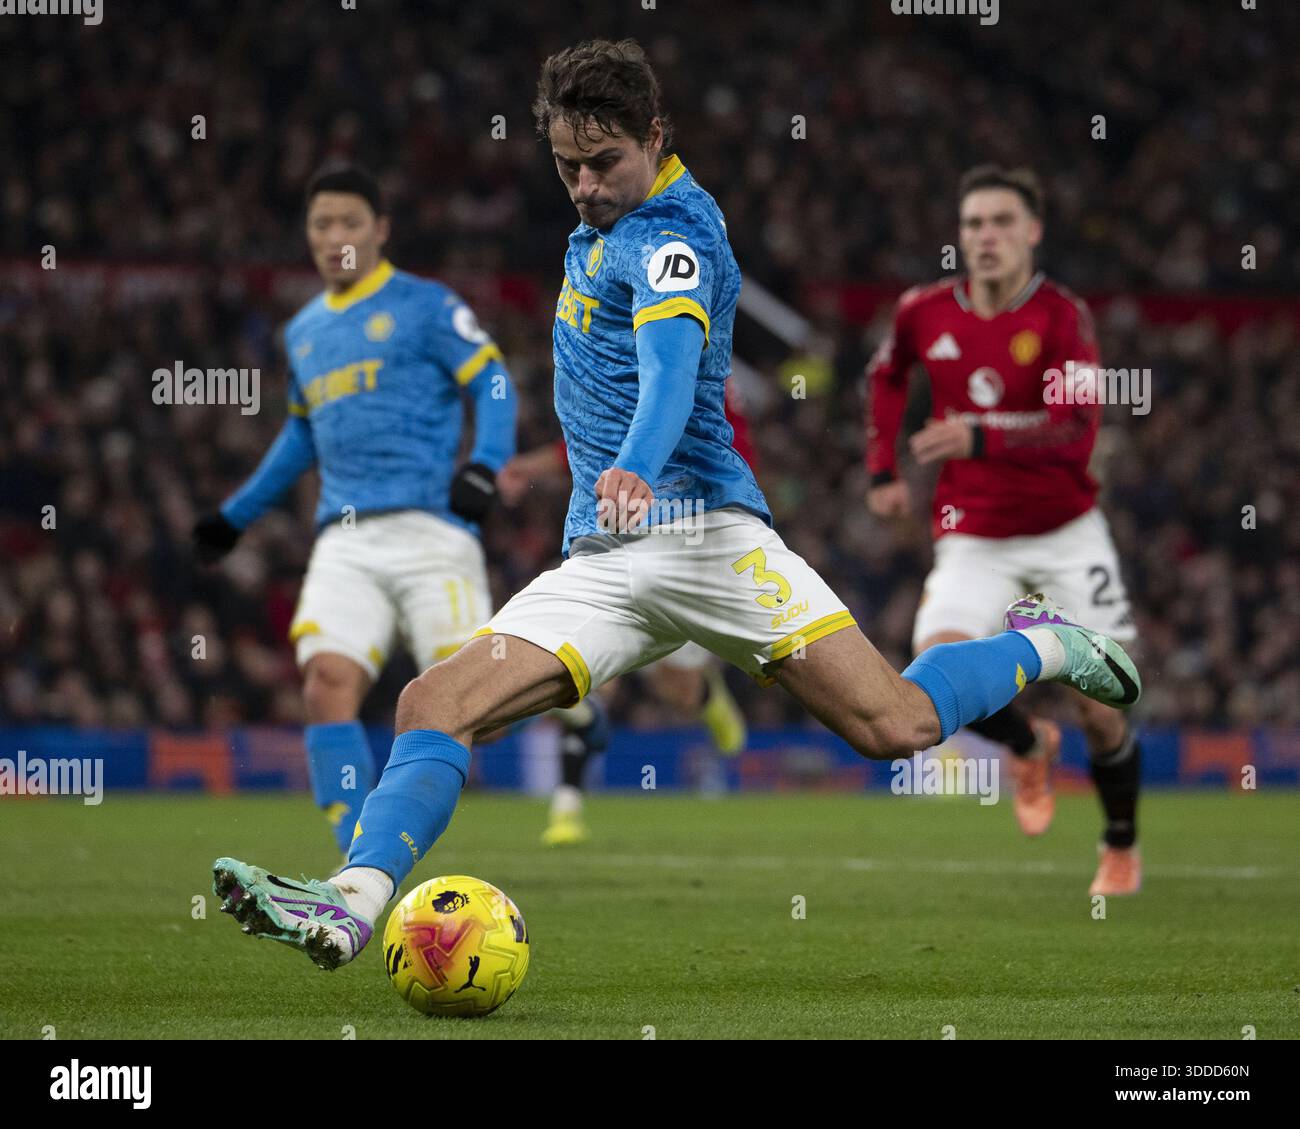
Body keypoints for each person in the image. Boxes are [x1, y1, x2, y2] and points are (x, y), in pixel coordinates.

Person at [212, 41, 1140, 970]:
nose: (582, 183)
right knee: (433, 701)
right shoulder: (599, 228)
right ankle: (351, 903)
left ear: (655, 137)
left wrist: (636, 466)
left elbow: (671, 368)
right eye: (566, 164)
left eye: (604, 161)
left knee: (893, 726)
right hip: (607, 560)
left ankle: (1052, 643)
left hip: (705, 539)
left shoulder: (673, 236)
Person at [194, 165, 605, 856]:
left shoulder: (426, 306)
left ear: (379, 230)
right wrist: (235, 515)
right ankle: (360, 854)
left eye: (350, 222)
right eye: (322, 224)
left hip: (430, 532)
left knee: (477, 709)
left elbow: (494, 381)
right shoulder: (304, 333)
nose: (335, 237)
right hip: (344, 540)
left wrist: (483, 462)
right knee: (326, 681)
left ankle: (579, 712)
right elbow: (301, 436)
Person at [866, 165, 1142, 895]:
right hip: (974, 530)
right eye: (973, 224)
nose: (985, 237)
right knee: (932, 676)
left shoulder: (1061, 316)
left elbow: (1077, 426)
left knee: (1103, 704)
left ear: (1032, 232)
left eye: (1000, 223)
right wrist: (880, 470)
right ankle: (1029, 742)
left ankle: (1119, 843)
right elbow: (887, 376)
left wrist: (979, 434)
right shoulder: (923, 311)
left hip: (1065, 528)